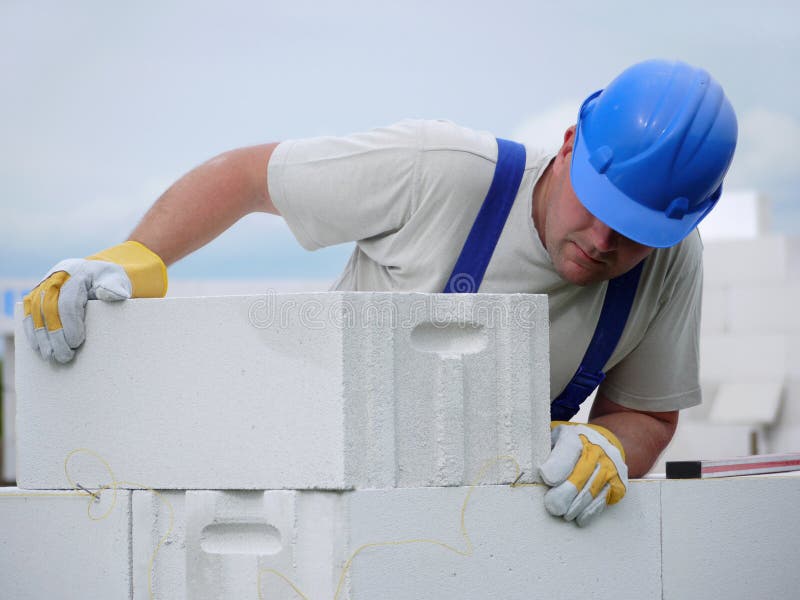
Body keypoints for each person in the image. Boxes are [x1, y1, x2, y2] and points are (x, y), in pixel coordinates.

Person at [21, 59, 737, 526]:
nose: (607, 242)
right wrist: (135, 257)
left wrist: (608, 448)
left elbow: (645, 414)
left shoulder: (673, 263)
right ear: (573, 143)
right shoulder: (440, 172)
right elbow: (243, 178)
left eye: (637, 232)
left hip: (475, 533)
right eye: (597, 208)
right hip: (310, 491)